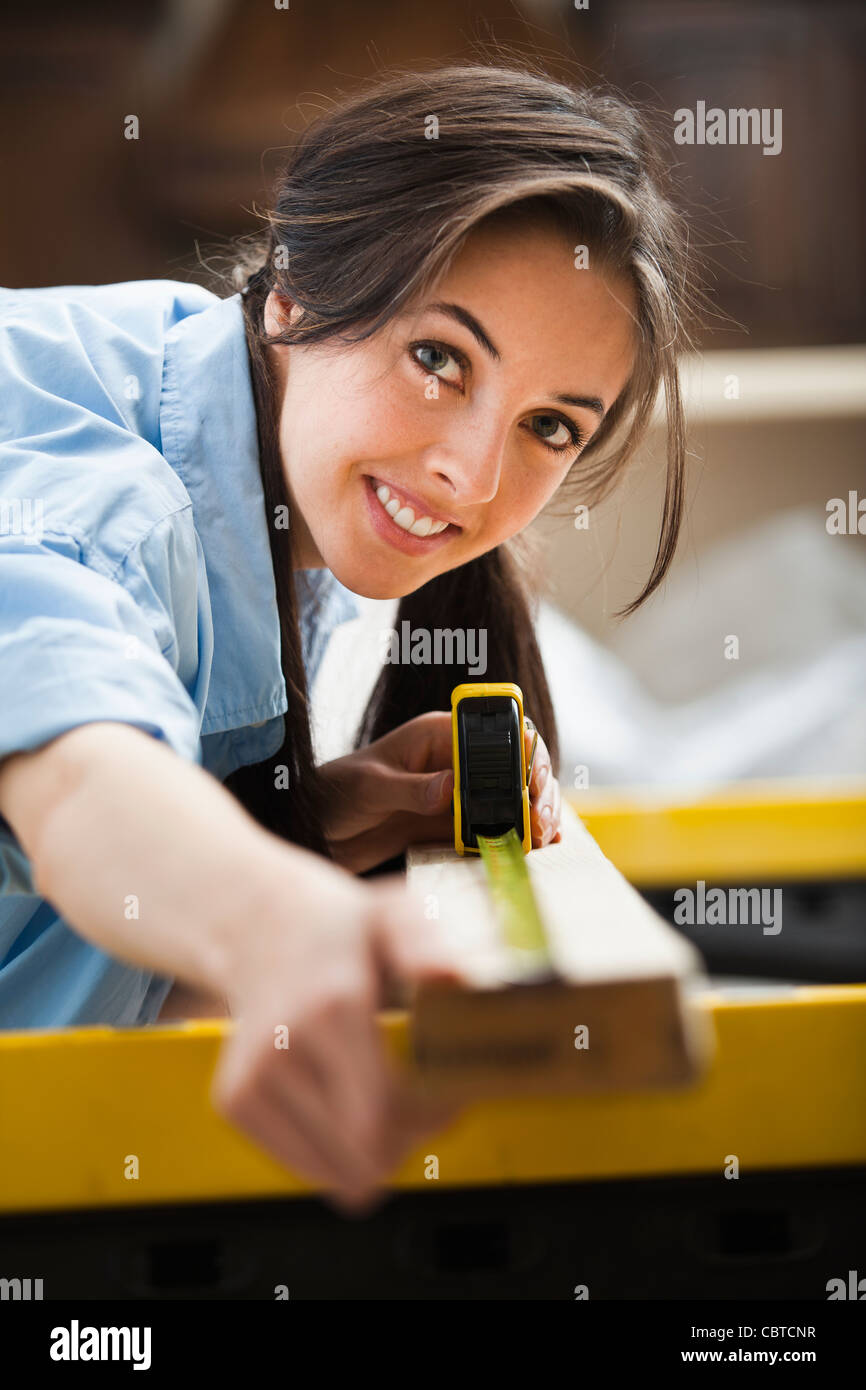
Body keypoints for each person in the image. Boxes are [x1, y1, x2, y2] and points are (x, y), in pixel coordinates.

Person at [0, 62, 695, 1212]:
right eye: (439, 359)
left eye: (548, 426)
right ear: (294, 290)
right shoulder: (112, 499)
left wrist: (299, 818)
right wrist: (277, 918)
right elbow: (72, 771)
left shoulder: (257, 442)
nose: (471, 475)